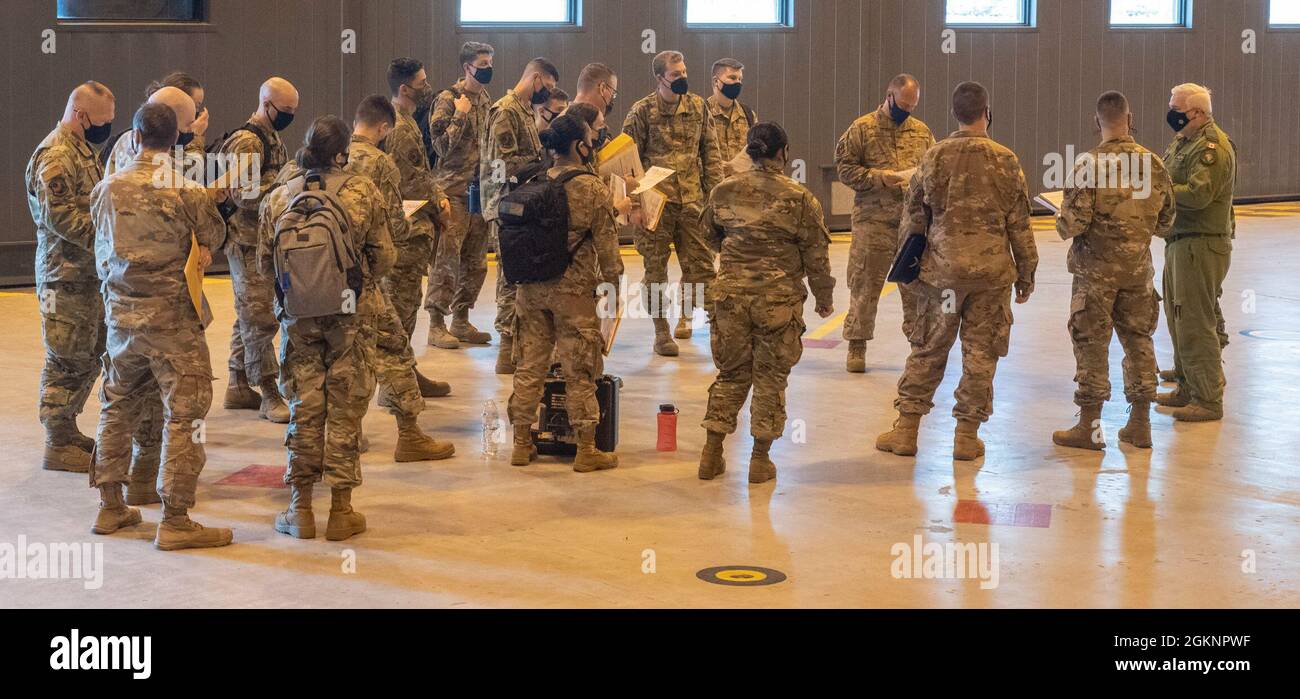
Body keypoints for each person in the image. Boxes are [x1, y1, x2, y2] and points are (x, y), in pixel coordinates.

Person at [88, 102, 231, 550]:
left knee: (117, 406)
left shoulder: (106, 188)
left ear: (133, 136)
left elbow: (101, 244)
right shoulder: (186, 191)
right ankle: (175, 519)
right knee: (185, 416)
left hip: (121, 321)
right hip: (173, 324)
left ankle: (111, 505)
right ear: (175, 140)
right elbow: (214, 237)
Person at [875, 81, 1037, 461]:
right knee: (981, 354)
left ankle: (907, 431)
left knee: (929, 349)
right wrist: (1026, 274)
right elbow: (1020, 224)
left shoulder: (933, 157)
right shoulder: (1006, 160)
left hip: (942, 277)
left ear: (955, 114)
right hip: (991, 277)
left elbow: (913, 219)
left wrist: (907, 274)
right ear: (987, 113)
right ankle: (966, 436)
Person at [258, 115, 395, 541]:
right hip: (351, 313)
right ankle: (340, 510)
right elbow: (386, 257)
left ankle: (300, 509)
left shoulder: (279, 196)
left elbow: (265, 265)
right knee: (345, 405)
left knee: (305, 405)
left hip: (299, 316)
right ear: (341, 154)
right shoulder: (362, 191)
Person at [698, 122, 835, 484]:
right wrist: (824, 297)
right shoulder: (800, 198)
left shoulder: (723, 191)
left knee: (730, 374)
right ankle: (759, 461)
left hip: (729, 299)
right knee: (770, 377)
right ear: (783, 153)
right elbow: (816, 255)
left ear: (750, 152)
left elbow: (709, 235)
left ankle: (711, 454)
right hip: (777, 303)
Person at [1052, 91, 1176, 450]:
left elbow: (1072, 223)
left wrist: (1059, 217)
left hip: (1095, 276)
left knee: (1091, 344)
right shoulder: (1154, 164)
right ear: (1130, 117)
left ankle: (1089, 428)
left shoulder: (1088, 165)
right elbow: (1166, 223)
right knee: (1139, 340)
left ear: (1097, 122)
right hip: (1138, 273)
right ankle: (1140, 424)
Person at [507, 113, 624, 473]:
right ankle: (587, 448)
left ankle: (521, 443)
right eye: (589, 138)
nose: (593, 142)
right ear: (578, 145)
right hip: (572, 292)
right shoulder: (591, 188)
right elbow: (608, 251)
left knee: (529, 366)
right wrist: (613, 289)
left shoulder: (532, 179)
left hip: (530, 290)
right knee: (580, 368)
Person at [345, 95, 456, 462]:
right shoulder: (381, 163)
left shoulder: (329, 160)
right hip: (367, 279)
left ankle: (350, 435)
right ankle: (409, 436)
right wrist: (417, 226)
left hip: (329, 279)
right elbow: (393, 228)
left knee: (345, 354)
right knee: (392, 347)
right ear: (383, 128)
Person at [26, 80, 115, 474]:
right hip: (63, 278)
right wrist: (113, 236)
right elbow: (60, 217)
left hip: (86, 275)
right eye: (101, 121)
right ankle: (56, 441)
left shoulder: (83, 151)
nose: (105, 129)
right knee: (65, 357)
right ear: (80, 115)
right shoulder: (56, 157)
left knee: (90, 352)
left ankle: (67, 426)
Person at [622, 50, 724, 356]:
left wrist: (715, 197)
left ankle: (719, 327)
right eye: (675, 74)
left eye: (684, 72)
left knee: (702, 269)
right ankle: (661, 331)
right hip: (656, 206)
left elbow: (711, 153)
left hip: (692, 202)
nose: (682, 78)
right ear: (659, 78)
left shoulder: (697, 106)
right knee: (655, 271)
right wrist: (635, 205)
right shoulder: (641, 112)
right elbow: (627, 164)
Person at [834, 74, 935, 373]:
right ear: (889, 96)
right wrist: (878, 178)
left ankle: (918, 345)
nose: (908, 110)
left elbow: (932, 169)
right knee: (865, 284)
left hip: (911, 223)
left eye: (913, 106)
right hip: (873, 221)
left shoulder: (922, 132)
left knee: (914, 287)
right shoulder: (862, 128)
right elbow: (845, 169)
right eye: (904, 104)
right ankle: (857, 343)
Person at [217, 77, 299, 424]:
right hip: (246, 241)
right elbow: (242, 194)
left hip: (261, 240)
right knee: (259, 320)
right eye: (285, 111)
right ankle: (268, 391)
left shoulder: (270, 137)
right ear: (267, 105)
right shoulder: (248, 142)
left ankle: (237, 384)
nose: (289, 116)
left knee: (250, 313)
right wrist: (284, 186)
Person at [1156, 83, 1237, 423]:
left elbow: (1198, 194)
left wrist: (1158, 192)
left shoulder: (1211, 148)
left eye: (1178, 109)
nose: (1172, 114)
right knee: (1178, 318)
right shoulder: (1183, 142)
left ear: (1198, 113)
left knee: (1196, 321)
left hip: (1201, 243)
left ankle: (1207, 399)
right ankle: (1188, 386)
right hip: (1180, 241)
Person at [481, 58, 560, 374]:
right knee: (510, 279)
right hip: (507, 207)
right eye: (549, 87)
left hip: (524, 207)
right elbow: (502, 167)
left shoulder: (526, 111)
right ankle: (505, 351)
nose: (548, 94)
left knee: (524, 276)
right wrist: (542, 170)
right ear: (537, 78)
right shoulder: (506, 111)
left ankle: (518, 348)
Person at [383, 58, 451, 397]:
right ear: (405, 88)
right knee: (400, 308)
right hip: (405, 233)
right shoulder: (399, 127)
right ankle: (394, 383)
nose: (428, 87)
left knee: (407, 307)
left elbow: (422, 174)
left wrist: (437, 195)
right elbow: (410, 181)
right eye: (422, 82)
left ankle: (405, 371)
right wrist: (438, 203)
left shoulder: (408, 121)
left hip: (413, 232)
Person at [425, 41, 494, 350]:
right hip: (452, 191)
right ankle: (436, 324)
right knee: (446, 260)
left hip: (478, 192)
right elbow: (439, 147)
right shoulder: (447, 99)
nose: (488, 68)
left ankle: (461, 320)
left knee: (476, 261)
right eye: (482, 63)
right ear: (467, 67)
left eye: (490, 62)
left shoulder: (486, 99)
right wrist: (460, 116)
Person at [105, 73, 208, 176]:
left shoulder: (124, 139)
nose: (196, 115)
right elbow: (191, 173)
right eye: (196, 106)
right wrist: (196, 137)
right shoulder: (158, 146)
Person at [707, 58, 755, 168]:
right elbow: (692, 156)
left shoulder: (748, 115)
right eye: (732, 78)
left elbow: (756, 154)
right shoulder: (702, 113)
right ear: (716, 81)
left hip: (741, 183)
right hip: (714, 183)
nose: (737, 82)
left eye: (740, 79)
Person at [572, 63, 619, 150]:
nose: (612, 99)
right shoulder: (572, 125)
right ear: (602, 88)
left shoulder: (560, 120)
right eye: (613, 94)